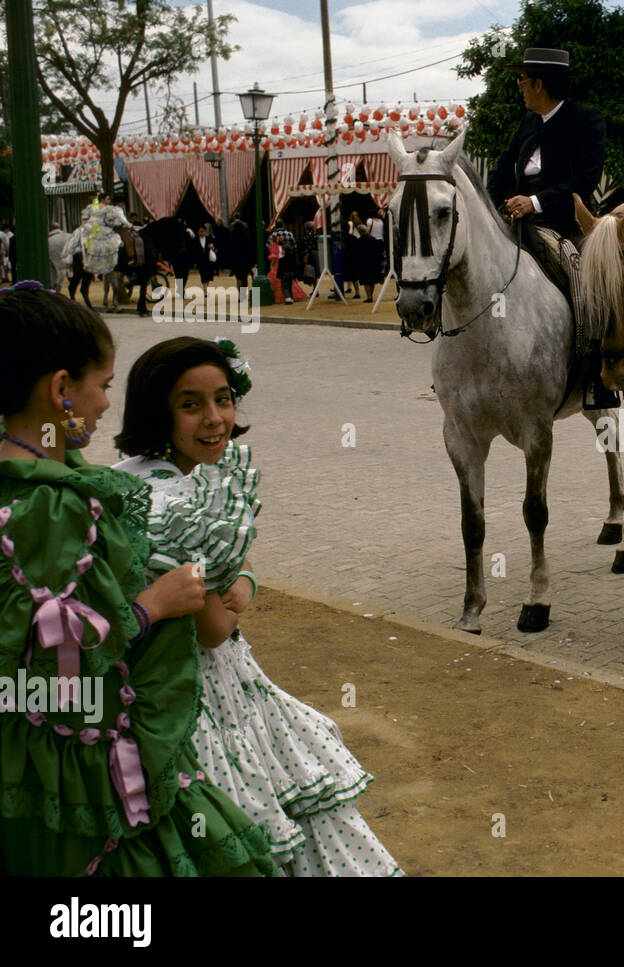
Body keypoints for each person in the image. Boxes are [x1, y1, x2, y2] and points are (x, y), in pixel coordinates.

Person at [0, 283, 276, 877]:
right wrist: (154, 604)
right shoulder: (53, 505)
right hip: (95, 759)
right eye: (100, 386)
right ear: (60, 390)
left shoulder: (52, 477)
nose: (104, 404)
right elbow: (57, 660)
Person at [112, 336, 404, 876]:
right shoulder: (179, 500)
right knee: (261, 825)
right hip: (205, 696)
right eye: (191, 404)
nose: (216, 418)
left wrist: (239, 574)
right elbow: (214, 629)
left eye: (223, 399)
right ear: (158, 410)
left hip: (154, 689)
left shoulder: (130, 474)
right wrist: (242, 587)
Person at [488, 46, 611, 408]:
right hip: (519, 223)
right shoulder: (527, 123)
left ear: (539, 84)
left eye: (522, 80)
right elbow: (499, 172)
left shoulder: (587, 120)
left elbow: (586, 179)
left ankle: (596, 373)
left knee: (589, 285)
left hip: (569, 223)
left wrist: (535, 202)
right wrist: (501, 205)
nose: (518, 86)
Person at [267, 219, 297, 304]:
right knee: (290, 283)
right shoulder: (290, 234)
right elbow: (295, 246)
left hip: (277, 260)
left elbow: (269, 247)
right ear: (283, 225)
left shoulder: (273, 235)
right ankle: (290, 297)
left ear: (276, 226)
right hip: (289, 260)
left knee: (281, 281)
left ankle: (285, 297)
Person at [47, 221, 71, 291]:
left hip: (52, 252)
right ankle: (57, 285)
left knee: (53, 270)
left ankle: (54, 286)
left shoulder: (49, 238)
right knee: (61, 270)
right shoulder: (67, 236)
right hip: (63, 254)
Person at [195, 224, 217, 297]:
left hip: (208, 260)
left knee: (208, 276)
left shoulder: (209, 238)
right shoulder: (196, 240)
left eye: (202, 231)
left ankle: (206, 287)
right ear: (198, 232)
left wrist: (212, 247)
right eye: (200, 231)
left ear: (205, 231)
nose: (201, 233)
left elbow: (214, 248)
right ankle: (205, 290)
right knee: (203, 275)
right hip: (200, 260)